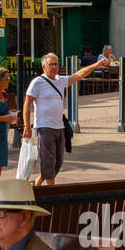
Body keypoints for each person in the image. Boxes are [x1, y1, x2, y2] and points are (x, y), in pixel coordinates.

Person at [23, 50, 109, 186]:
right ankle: (52, 192)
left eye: (56, 64)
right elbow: (27, 104)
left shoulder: (60, 80)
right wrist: (27, 126)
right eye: (51, 64)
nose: (54, 67)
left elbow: (79, 75)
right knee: (48, 161)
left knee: (58, 162)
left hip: (59, 127)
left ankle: (36, 184)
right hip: (44, 127)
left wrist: (95, 65)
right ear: (43, 66)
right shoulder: (37, 82)